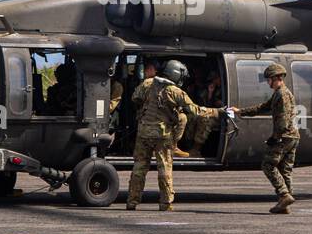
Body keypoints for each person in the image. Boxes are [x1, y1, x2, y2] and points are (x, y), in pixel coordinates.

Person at [127, 58, 218, 211]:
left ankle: (132, 201)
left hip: (143, 133)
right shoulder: (175, 91)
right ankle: (165, 203)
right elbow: (195, 111)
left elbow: (135, 98)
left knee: (139, 168)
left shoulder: (147, 84)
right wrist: (218, 112)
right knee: (164, 168)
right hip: (162, 135)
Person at [228, 62, 299, 214]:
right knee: (284, 170)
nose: (268, 82)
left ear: (277, 78)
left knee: (268, 165)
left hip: (284, 136)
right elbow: (262, 107)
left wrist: (275, 137)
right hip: (291, 137)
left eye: (269, 79)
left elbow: (283, 120)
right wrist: (241, 111)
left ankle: (284, 195)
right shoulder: (280, 93)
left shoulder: (282, 94)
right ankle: (284, 203)